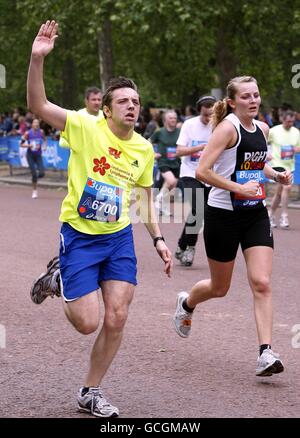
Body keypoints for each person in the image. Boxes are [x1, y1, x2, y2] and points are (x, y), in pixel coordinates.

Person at [27, 20, 172, 418]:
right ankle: (59, 278)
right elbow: (38, 107)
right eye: (123, 101)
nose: (132, 106)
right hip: (80, 236)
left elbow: (143, 197)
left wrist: (159, 240)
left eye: (136, 101)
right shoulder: (83, 127)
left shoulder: (144, 148)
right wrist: (37, 60)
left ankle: (90, 391)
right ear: (106, 109)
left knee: (118, 315)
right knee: (88, 322)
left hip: (118, 237)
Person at [173, 76, 292, 377]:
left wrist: (275, 174)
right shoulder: (227, 129)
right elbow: (202, 171)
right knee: (219, 287)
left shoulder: (262, 128)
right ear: (232, 102)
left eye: (256, 95)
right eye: (246, 96)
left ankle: (265, 353)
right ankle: (187, 303)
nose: (253, 101)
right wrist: (237, 189)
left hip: (255, 213)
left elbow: (256, 163)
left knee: (261, 282)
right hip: (222, 215)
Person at [175, 96, 216, 266]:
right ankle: (190, 248)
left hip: (209, 175)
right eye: (206, 115)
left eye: (211, 115)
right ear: (199, 111)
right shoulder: (189, 125)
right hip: (190, 173)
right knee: (199, 209)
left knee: (202, 212)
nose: (208, 119)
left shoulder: (219, 126)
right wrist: (200, 148)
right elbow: (179, 151)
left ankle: (182, 245)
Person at [268, 110, 300, 229]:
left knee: (279, 192)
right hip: (277, 164)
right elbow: (261, 141)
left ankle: (270, 214)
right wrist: (266, 154)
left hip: (289, 165)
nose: (290, 124)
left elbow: (299, 146)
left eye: (292, 122)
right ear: (282, 119)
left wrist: (297, 149)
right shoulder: (274, 131)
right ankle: (284, 215)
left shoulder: (296, 132)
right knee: (287, 187)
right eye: (288, 121)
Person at [150, 109, 181, 216]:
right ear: (165, 120)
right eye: (170, 118)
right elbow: (148, 142)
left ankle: (162, 205)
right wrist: (154, 153)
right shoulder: (160, 132)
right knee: (171, 181)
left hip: (176, 162)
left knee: (170, 186)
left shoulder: (179, 132)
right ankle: (158, 200)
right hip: (163, 161)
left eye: (175, 118)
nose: (173, 120)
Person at [20, 118, 46, 198]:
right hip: (30, 155)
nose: (36, 124)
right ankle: (34, 191)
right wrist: (29, 145)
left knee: (42, 173)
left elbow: (45, 140)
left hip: (38, 155)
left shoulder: (41, 132)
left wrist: (44, 146)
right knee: (34, 173)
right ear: (32, 125)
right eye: (35, 123)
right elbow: (21, 144)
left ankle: (34, 177)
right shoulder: (27, 133)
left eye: (37, 123)